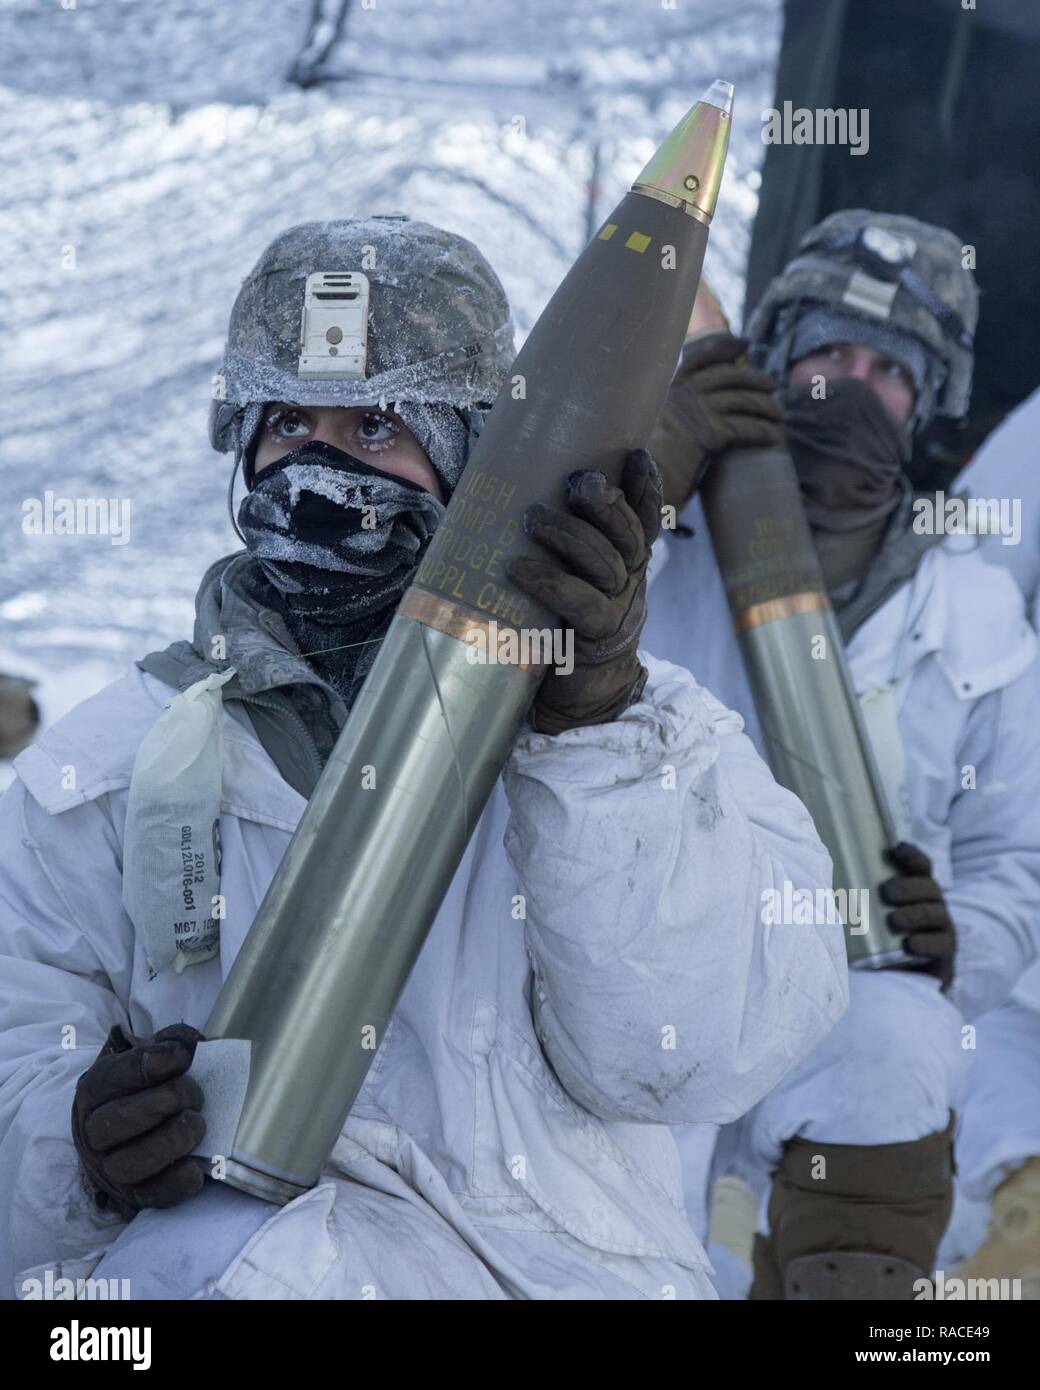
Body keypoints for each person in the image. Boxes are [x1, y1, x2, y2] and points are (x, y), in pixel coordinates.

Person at [0, 216, 847, 1301]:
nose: (319, 468)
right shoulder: (108, 770)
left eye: (375, 430)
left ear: (469, 457)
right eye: (291, 422)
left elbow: (703, 1049)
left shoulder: (635, 730)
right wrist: (75, 1149)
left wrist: (590, 735)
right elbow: (23, 1035)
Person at [643, 210, 1040, 1299]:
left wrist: (960, 941)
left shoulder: (974, 615)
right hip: (634, 1001)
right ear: (773, 364)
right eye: (824, 353)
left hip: (844, 1025)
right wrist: (644, 476)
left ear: (926, 403)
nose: (849, 387)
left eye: (884, 368)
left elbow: (1015, 858)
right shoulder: (655, 554)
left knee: (890, 1084)